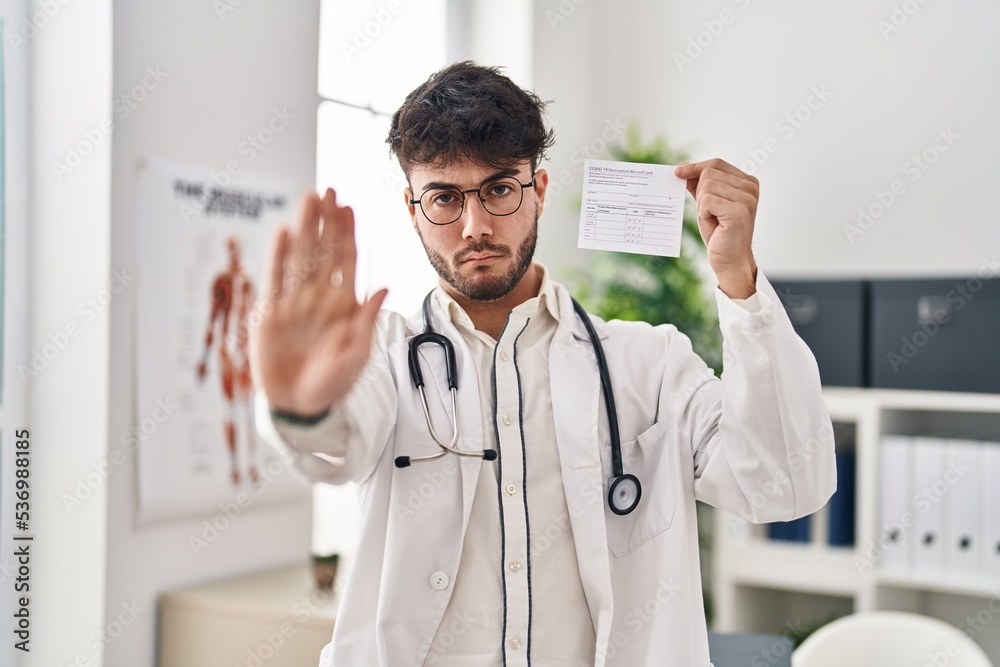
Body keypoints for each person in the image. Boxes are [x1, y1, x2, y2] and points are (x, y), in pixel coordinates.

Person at [249, 62, 836, 667]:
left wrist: (740, 285)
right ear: (411, 208)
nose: (475, 227)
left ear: (540, 190)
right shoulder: (382, 359)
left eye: (500, 188)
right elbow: (330, 443)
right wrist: (299, 405)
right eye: (444, 197)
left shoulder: (649, 363)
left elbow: (784, 486)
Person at [197, 234, 260, 485]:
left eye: (238, 249)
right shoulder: (220, 283)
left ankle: (253, 465)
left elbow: (254, 316)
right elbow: (212, 321)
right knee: (231, 410)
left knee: (250, 410)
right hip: (226, 350)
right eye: (231, 249)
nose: (236, 254)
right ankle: (234, 466)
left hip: (245, 350)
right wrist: (204, 357)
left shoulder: (247, 283)